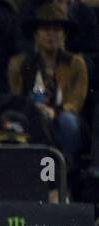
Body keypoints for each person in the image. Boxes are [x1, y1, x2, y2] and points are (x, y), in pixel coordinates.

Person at [8, 4, 89, 165]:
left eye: (57, 30)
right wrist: (35, 109)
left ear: (64, 35)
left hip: (63, 115)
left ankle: (67, 169)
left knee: (68, 121)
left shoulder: (75, 63)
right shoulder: (18, 63)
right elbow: (16, 95)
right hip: (29, 112)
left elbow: (76, 100)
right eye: (46, 29)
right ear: (36, 35)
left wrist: (55, 111)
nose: (51, 35)